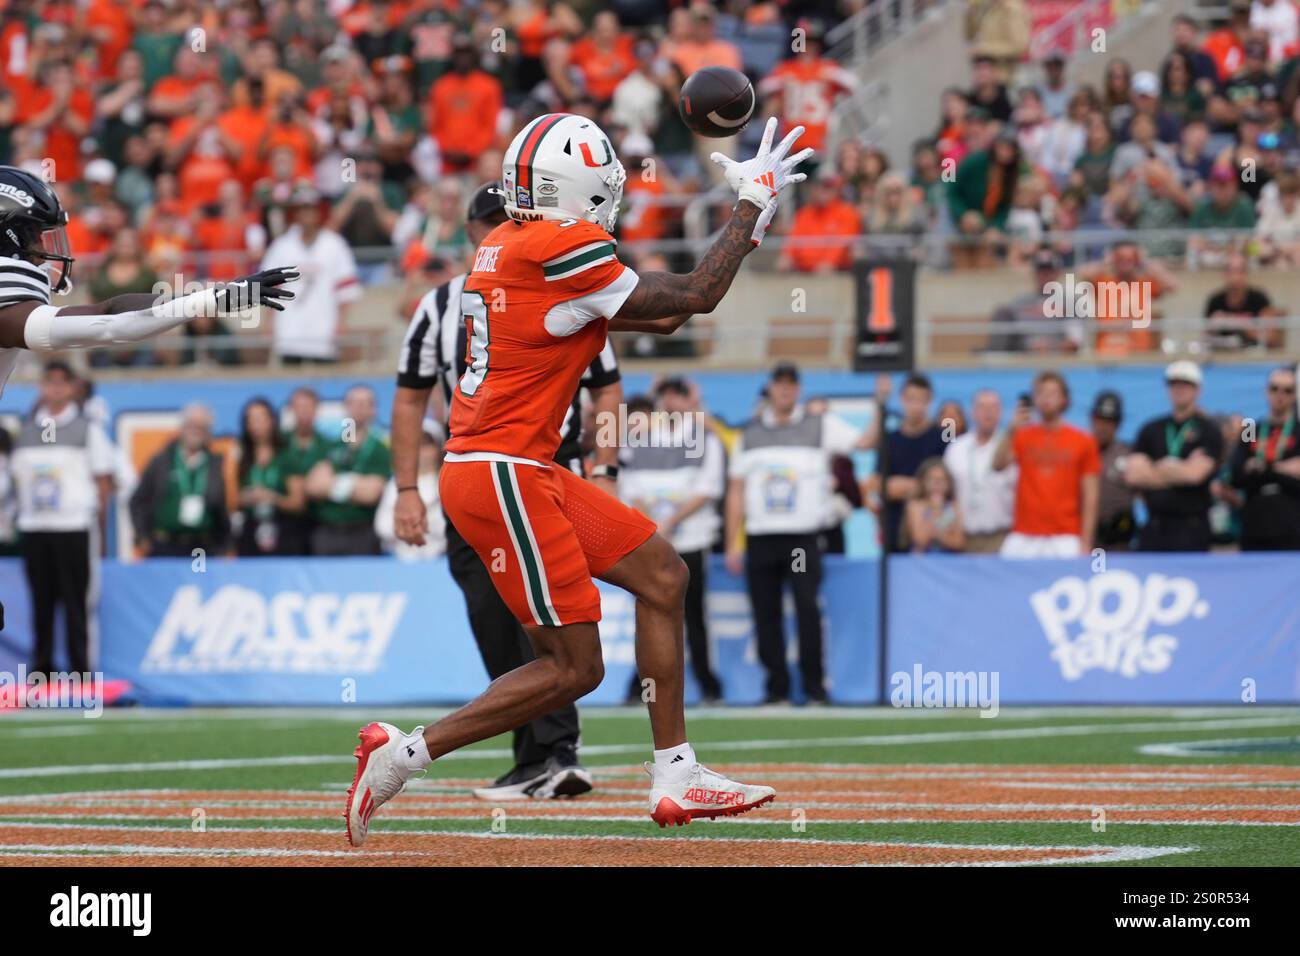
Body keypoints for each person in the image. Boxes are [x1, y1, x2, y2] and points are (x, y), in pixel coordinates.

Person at [345, 113, 810, 844]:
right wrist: (751, 205)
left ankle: (677, 773)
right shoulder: (559, 244)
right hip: (504, 471)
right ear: (578, 187)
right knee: (573, 667)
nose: (614, 195)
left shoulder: (505, 242)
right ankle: (401, 755)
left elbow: (657, 317)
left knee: (663, 577)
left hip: (518, 465)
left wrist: (749, 216)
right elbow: (693, 298)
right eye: (606, 181)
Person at [393, 183, 616, 801]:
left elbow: (610, 383)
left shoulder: (568, 283)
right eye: (489, 222)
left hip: (545, 463)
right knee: (494, 620)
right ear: (472, 232)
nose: (500, 229)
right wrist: (406, 488)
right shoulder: (438, 306)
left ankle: (559, 751)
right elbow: (411, 395)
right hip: (474, 467)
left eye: (508, 218)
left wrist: (605, 465)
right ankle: (532, 757)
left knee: (551, 617)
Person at [0, 165, 297, 397]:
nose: (41, 252)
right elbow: (113, 322)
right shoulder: (8, 315)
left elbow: (113, 312)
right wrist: (215, 298)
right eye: (33, 235)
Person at [725, 362, 866, 705]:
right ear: (771, 389)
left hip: (801, 538)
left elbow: (864, 442)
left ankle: (815, 687)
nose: (786, 390)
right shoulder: (751, 433)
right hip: (761, 536)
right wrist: (732, 541)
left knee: (807, 610)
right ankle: (777, 689)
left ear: (798, 389)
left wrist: (879, 403)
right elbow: (737, 491)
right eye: (780, 384)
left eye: (791, 384)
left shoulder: (819, 425)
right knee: (765, 613)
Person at [621, 377, 726, 704]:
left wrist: (670, 521)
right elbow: (629, 487)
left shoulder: (706, 438)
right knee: (650, 613)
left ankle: (707, 684)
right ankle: (641, 684)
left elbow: (708, 489)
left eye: (678, 395)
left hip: (689, 540)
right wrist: (655, 523)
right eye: (665, 395)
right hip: (653, 541)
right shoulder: (638, 439)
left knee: (693, 615)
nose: (671, 402)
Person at [8, 361, 114, 677]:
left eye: (61, 382)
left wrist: (100, 529)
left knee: (75, 603)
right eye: (48, 382)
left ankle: (80, 671)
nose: (54, 389)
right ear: (41, 387)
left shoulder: (87, 430)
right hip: (36, 527)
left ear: (71, 388)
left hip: (72, 526)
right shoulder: (26, 431)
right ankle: (42, 672)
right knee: (41, 604)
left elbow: (103, 482)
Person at [993, 371, 1100, 558]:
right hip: (1025, 535)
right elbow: (997, 464)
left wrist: (1086, 541)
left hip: (1065, 536)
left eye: (1052, 394)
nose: (1046, 399)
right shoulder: (1022, 436)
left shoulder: (1083, 440)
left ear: (1064, 399)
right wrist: (1011, 429)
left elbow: (1090, 496)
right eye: (1041, 393)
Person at [1124, 361, 1223, 552]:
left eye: (1186, 385)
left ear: (1197, 390)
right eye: (1174, 384)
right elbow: (1134, 475)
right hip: (1155, 526)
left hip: (1191, 527)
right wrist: (1177, 470)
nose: (1179, 389)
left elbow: (1195, 475)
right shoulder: (1151, 429)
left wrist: (1155, 470)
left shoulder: (1208, 430)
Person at [259, 183, 361, 364]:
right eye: (302, 209)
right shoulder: (281, 246)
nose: (307, 215)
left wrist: (342, 322)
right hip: (290, 327)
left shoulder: (335, 245)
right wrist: (269, 322)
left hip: (324, 325)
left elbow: (345, 288)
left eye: (311, 209)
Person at [129, 403, 231, 558]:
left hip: (202, 547)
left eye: (202, 427)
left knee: (198, 581)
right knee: (166, 582)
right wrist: (142, 536)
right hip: (164, 545)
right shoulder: (162, 461)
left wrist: (225, 545)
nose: (196, 431)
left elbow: (224, 506)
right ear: (182, 427)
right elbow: (137, 501)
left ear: (209, 432)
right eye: (192, 425)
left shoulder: (216, 463)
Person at [304, 384, 391, 555]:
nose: (358, 408)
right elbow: (312, 487)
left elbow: (371, 494)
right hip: (327, 531)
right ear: (346, 407)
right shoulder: (332, 445)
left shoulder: (379, 448)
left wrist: (332, 484)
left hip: (361, 531)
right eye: (353, 402)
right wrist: (355, 484)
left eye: (364, 403)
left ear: (373, 410)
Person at [1230, 366, 1300, 549]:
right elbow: (1236, 473)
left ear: (1294, 395)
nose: (1280, 395)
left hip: (1292, 524)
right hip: (1255, 524)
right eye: (1275, 388)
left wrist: (1263, 468)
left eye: (1287, 390)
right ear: (1266, 391)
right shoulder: (1251, 428)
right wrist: (1283, 468)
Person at [878, 373, 948, 553]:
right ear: (901, 399)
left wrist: (903, 487)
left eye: (921, 399)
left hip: (933, 538)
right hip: (894, 535)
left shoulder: (942, 438)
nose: (915, 405)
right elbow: (880, 486)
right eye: (911, 399)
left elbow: (945, 486)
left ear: (930, 400)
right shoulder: (889, 441)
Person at [943, 389, 1017, 553]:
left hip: (1002, 538)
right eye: (982, 407)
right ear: (972, 412)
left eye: (993, 407)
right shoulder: (956, 448)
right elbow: (946, 494)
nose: (988, 413)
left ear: (1001, 413)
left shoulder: (1011, 449)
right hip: (963, 539)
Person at [234, 396, 306, 557]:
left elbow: (298, 502)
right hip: (251, 529)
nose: (256, 425)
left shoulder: (287, 455)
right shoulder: (240, 457)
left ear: (272, 421)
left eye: (260, 419)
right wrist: (246, 498)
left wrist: (272, 498)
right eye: (251, 420)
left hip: (283, 528)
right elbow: (229, 497)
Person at [374, 422, 446, 561]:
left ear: (438, 448)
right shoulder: (396, 483)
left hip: (440, 561)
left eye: (427, 444)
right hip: (399, 561)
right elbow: (382, 527)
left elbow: (449, 529)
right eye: (417, 444)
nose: (421, 450)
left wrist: (408, 524)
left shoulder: (448, 483)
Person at [1203, 254, 1281, 350]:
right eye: (1231, 271)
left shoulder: (1259, 299)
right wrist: (1213, 326)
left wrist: (1236, 322)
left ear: (1246, 274)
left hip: (1253, 358)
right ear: (1224, 274)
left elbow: (1270, 337)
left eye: (1239, 271)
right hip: (1222, 358)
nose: (1235, 277)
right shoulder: (1215, 301)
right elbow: (1205, 338)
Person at [1089, 390, 1136, 550]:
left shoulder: (1128, 453)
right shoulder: (1080, 450)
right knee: (1094, 572)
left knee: (1116, 575)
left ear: (1118, 424)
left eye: (1110, 422)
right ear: (1092, 419)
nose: (1103, 427)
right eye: (1100, 420)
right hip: (1089, 538)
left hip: (1119, 540)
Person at [902, 458, 965, 553]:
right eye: (932, 479)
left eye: (941, 479)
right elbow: (920, 541)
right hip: (922, 562)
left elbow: (959, 543)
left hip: (948, 560)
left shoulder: (953, 507)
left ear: (949, 483)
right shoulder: (916, 506)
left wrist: (940, 535)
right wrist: (935, 510)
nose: (937, 484)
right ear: (923, 482)